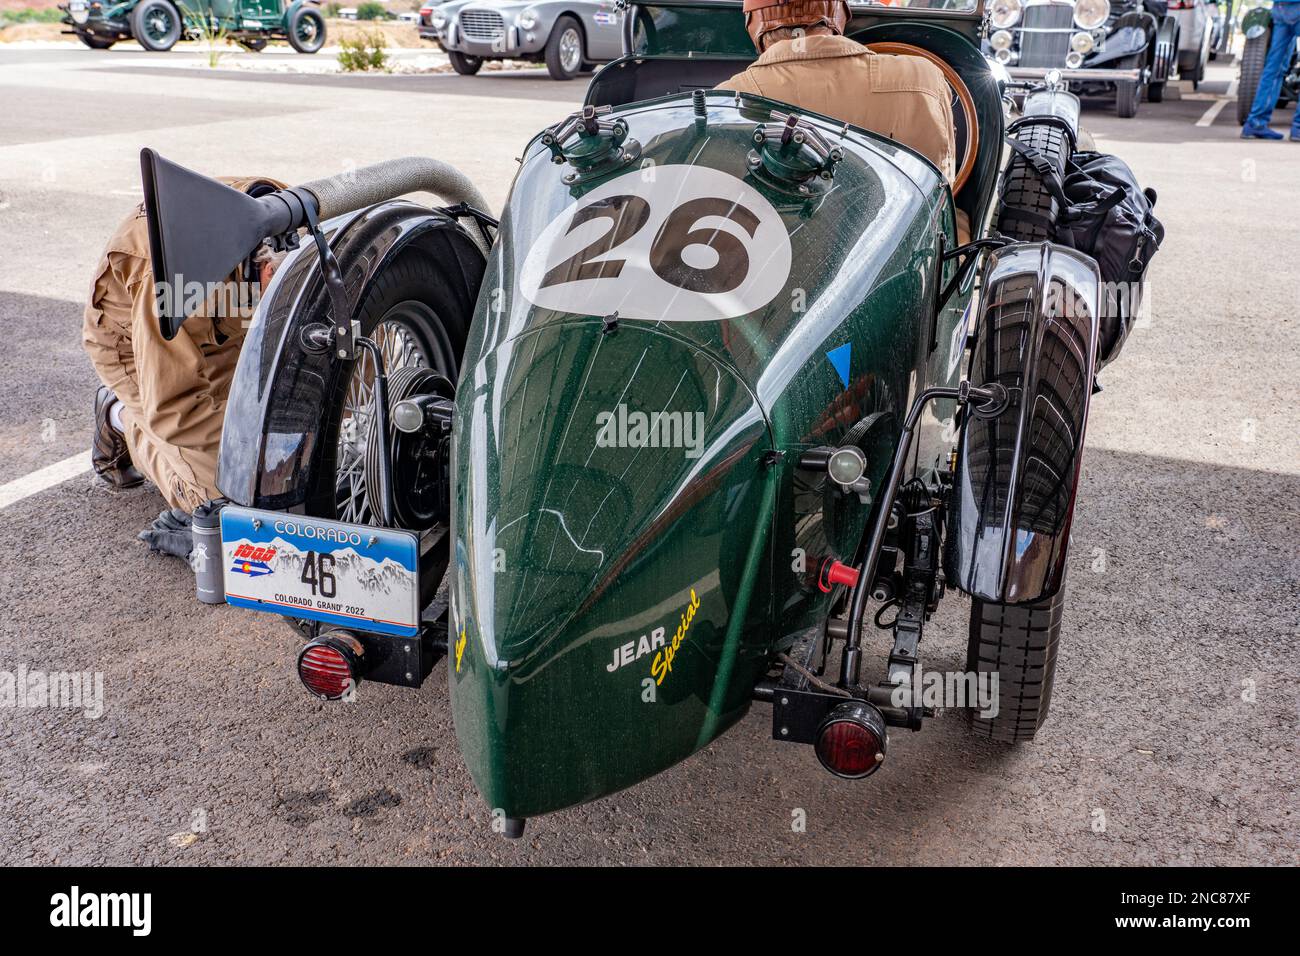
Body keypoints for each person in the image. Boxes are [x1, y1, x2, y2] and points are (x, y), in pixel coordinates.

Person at [83, 175, 286, 557]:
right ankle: (118, 416)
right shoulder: (176, 275)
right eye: (276, 293)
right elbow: (177, 408)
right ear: (261, 270)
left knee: (277, 465)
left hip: (222, 320)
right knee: (230, 496)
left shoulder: (294, 231)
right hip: (136, 341)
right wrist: (260, 454)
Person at [716, 0, 957, 188]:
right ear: (839, 13)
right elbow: (943, 185)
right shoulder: (923, 77)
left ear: (752, 20)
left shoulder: (724, 101)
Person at [1241, 0, 1300, 141]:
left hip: (1280, 8)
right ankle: (1298, 127)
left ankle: (1256, 122)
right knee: (1274, 69)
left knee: (1273, 69)